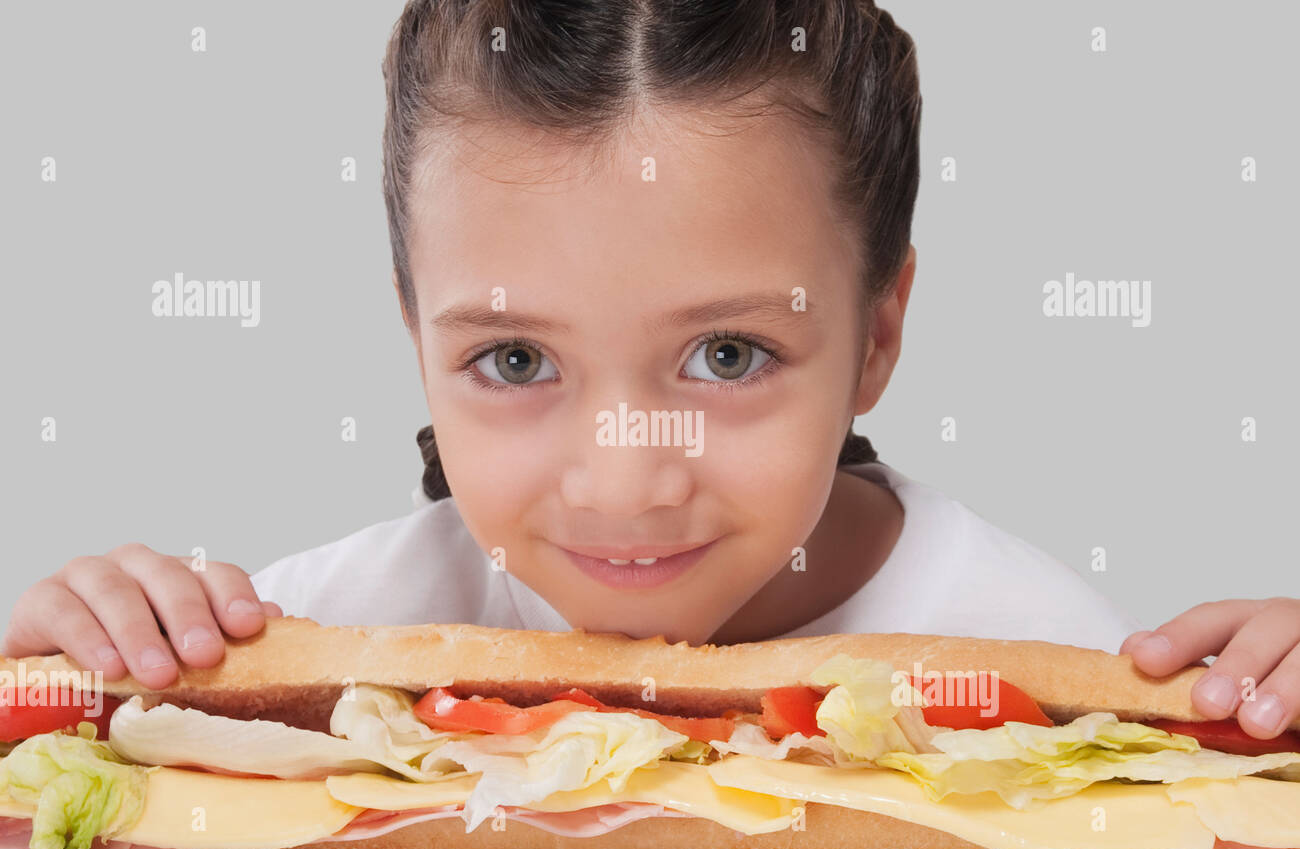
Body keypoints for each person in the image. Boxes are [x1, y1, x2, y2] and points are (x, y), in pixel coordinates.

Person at [4, 0, 1295, 741]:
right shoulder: (283, 660)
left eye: (727, 355)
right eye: (514, 358)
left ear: (877, 336)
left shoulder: (1059, 670)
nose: (622, 484)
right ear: (413, 336)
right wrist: (43, 705)